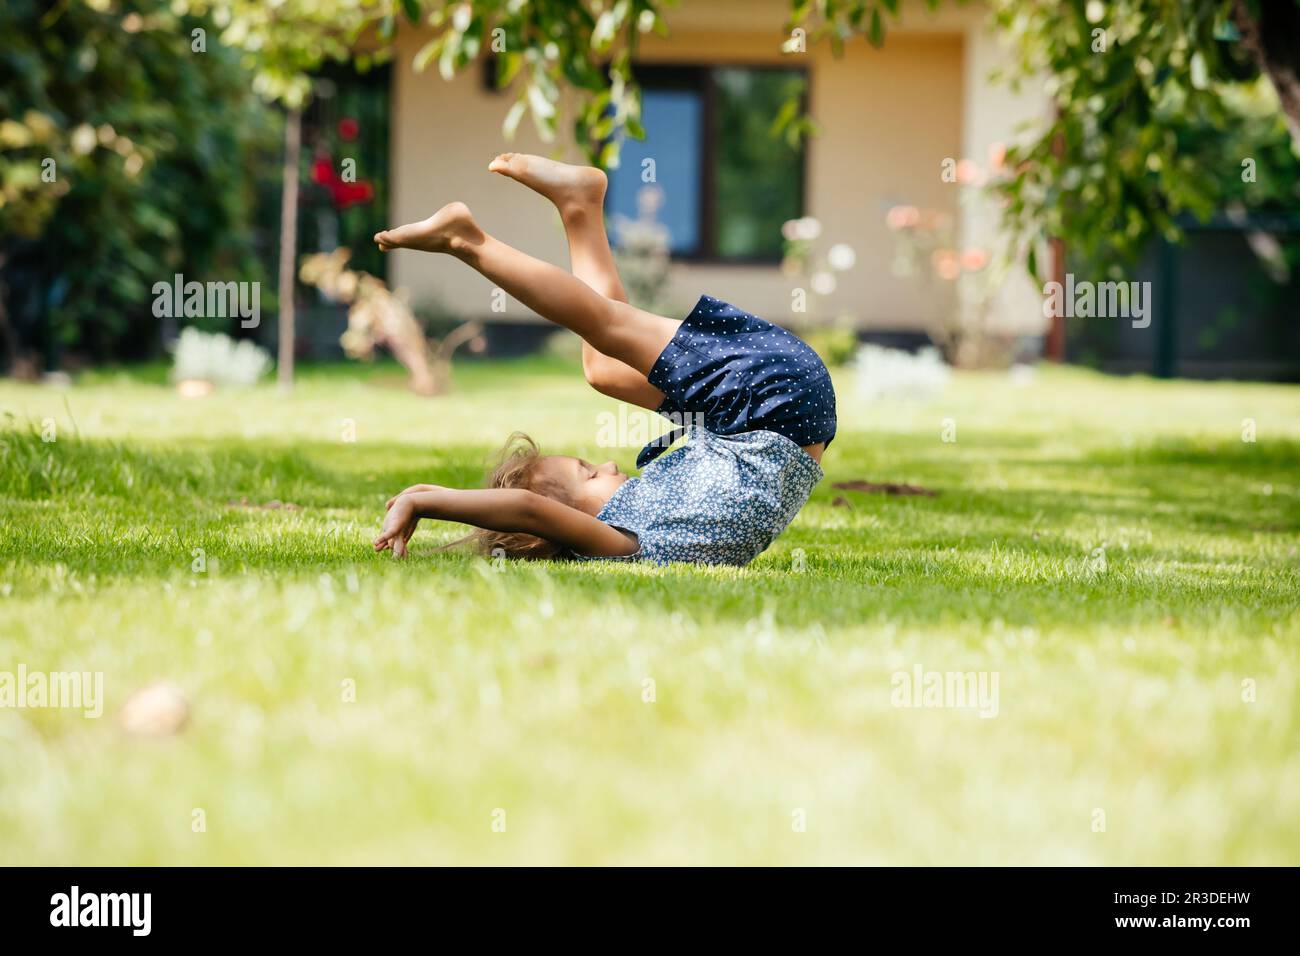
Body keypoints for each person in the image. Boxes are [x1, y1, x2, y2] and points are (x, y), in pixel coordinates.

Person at [373, 154, 836, 566]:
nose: (612, 464)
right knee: (606, 324)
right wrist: (428, 504)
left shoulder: (636, 527)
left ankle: (579, 205)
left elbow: (531, 510)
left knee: (605, 368)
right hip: (772, 401)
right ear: (562, 525)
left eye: (590, 464)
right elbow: (528, 510)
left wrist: (427, 495)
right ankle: (467, 241)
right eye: (589, 474)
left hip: (781, 406)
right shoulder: (622, 542)